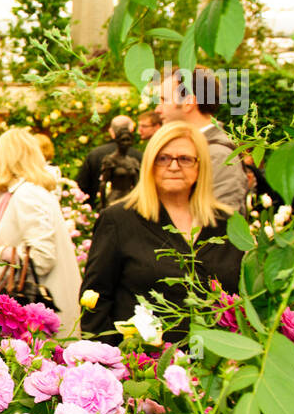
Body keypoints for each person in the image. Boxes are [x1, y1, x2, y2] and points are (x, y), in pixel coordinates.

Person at [80, 121, 244, 345]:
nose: (174, 166)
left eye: (185, 159)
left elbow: (241, 299)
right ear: (149, 164)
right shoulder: (119, 220)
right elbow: (95, 300)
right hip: (143, 368)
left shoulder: (228, 224)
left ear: (200, 166)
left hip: (215, 366)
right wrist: (111, 363)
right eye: (163, 158)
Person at [0, 128, 81, 337]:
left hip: (39, 318)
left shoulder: (27, 195)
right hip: (35, 318)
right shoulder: (24, 192)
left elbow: (41, 257)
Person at [157, 66, 248, 210]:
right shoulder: (197, 147)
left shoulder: (219, 155)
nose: (157, 109)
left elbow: (222, 221)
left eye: (163, 100)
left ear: (188, 103)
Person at [75, 115, 141, 209]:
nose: (125, 143)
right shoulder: (139, 156)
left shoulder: (95, 155)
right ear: (132, 130)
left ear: (111, 131)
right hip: (110, 205)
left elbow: (82, 187)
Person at [97, 125, 142, 207]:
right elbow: (103, 183)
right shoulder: (110, 160)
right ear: (117, 141)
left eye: (128, 140)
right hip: (114, 200)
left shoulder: (133, 161)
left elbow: (137, 185)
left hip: (130, 200)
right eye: (123, 140)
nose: (125, 143)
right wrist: (103, 203)